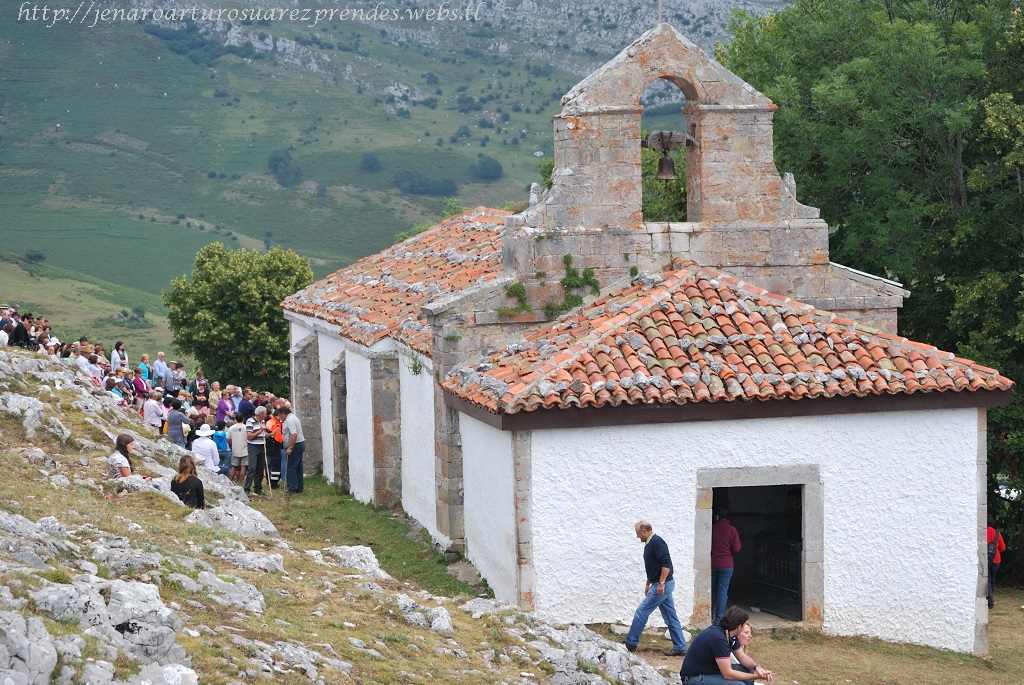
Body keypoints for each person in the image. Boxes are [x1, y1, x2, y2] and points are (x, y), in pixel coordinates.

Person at [624, 521, 688, 656]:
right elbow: (654, 567)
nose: (637, 537)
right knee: (671, 616)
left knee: (641, 612)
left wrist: (661, 583)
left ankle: (630, 643)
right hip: (659, 584)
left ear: (645, 531)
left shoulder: (657, 542)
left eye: (638, 534)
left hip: (663, 585)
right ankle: (680, 646)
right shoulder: (649, 544)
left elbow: (666, 563)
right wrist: (649, 583)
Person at [680, 606, 773, 684]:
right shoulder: (718, 638)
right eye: (744, 624)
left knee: (748, 670)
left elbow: (742, 657)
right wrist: (756, 677)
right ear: (738, 626)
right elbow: (728, 674)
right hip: (694, 678)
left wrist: (757, 667)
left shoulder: (729, 633)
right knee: (738, 684)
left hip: (710, 671)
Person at [711, 507, 741, 624]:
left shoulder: (712, 529)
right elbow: (737, 548)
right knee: (722, 591)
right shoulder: (732, 530)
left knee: (712, 590)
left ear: (717, 517)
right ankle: (719, 618)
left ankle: (709, 614)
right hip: (727, 564)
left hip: (713, 563)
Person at [277, 406, 306, 494]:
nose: (280, 418)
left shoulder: (289, 420)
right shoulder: (293, 417)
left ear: (283, 414)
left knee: (291, 468)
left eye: (280, 416)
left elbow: (294, 435)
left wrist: (290, 447)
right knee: (298, 467)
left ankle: (291, 488)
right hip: (300, 444)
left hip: (296, 445)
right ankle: (299, 487)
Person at [243, 406, 268, 496]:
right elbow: (249, 436)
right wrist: (260, 430)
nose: (266, 415)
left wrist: (271, 434)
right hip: (253, 446)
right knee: (252, 467)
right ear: (261, 414)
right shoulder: (250, 421)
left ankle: (258, 488)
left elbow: (263, 435)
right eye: (265, 413)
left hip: (261, 445)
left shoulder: (262, 421)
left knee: (260, 468)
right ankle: (246, 488)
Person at [987, 514, 1007, 609]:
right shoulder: (997, 533)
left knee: (987, 579)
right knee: (992, 580)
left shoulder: (982, 532)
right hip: (996, 559)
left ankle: (990, 601)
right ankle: (990, 598)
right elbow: (1002, 548)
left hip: (986, 559)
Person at [227, 412, 249, 484]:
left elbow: (228, 439)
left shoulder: (231, 428)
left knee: (234, 466)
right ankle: (241, 482)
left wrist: (231, 444)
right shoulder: (246, 428)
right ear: (243, 419)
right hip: (245, 449)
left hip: (235, 449)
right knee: (243, 467)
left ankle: (230, 481)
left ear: (235, 419)